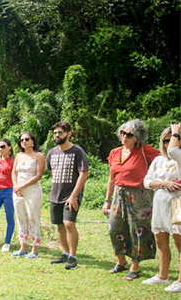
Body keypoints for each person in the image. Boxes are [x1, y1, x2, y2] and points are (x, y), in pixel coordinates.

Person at [101, 118, 159, 280]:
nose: (125, 137)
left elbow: (165, 160)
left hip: (139, 195)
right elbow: (112, 178)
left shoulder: (145, 151)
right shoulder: (115, 152)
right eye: (123, 133)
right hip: (118, 194)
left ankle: (135, 264)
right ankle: (121, 261)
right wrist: (107, 200)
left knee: (138, 230)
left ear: (138, 137)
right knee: (114, 227)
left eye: (129, 134)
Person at [46, 121, 89, 270]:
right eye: (55, 133)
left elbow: (84, 174)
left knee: (69, 223)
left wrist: (74, 195)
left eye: (60, 133)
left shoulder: (77, 151)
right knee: (59, 225)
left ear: (68, 134)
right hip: (55, 194)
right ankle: (64, 253)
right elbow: (51, 171)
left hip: (71, 195)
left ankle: (72, 256)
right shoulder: (51, 152)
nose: (57, 135)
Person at [143, 124, 181, 290]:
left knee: (179, 242)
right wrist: (163, 183)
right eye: (165, 140)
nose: (168, 144)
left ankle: (180, 280)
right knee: (160, 239)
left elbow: (173, 151)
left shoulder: (179, 157)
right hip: (160, 201)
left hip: (177, 202)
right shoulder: (158, 160)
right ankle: (162, 275)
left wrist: (176, 132)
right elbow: (146, 181)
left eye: (171, 139)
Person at [11, 132, 45, 258]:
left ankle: (34, 249)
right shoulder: (19, 156)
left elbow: (38, 175)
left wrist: (22, 186)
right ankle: (23, 247)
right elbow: (14, 173)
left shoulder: (39, 156)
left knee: (33, 217)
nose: (24, 141)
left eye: (27, 139)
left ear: (33, 141)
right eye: (21, 140)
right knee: (20, 218)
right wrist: (16, 187)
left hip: (32, 190)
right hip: (18, 191)